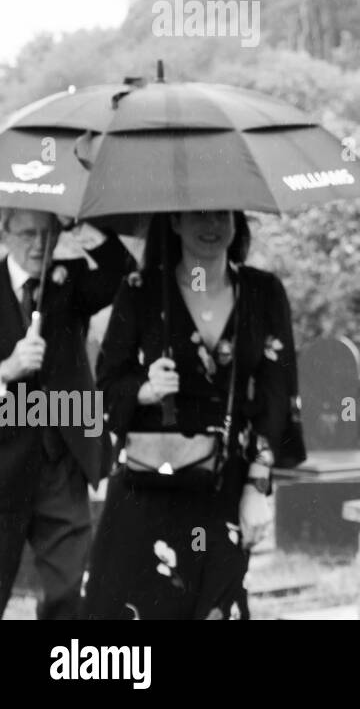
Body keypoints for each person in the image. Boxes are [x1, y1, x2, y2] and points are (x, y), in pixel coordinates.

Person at [84, 210, 303, 619]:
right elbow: (106, 390)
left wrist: (258, 486)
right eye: (198, 214)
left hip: (225, 486)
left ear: (237, 223)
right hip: (147, 485)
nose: (211, 225)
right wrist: (145, 390)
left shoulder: (263, 292)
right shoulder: (140, 289)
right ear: (175, 222)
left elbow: (278, 397)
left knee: (217, 605)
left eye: (222, 214)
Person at [0, 211, 134, 619]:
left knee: (68, 588)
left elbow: (120, 269)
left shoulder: (68, 280)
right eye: (27, 233)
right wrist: (7, 368)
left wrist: (81, 224)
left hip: (62, 461)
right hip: (3, 462)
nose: (39, 244)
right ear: (4, 233)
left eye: (47, 233)